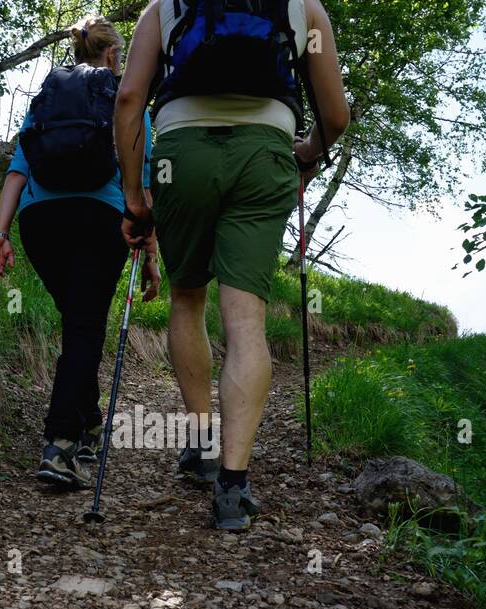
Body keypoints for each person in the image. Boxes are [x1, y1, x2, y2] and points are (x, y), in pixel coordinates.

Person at [113, 0, 350, 530]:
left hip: (181, 154)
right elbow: (335, 117)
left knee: (188, 296)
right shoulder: (304, 7)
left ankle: (200, 443)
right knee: (246, 319)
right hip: (264, 153)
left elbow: (130, 97)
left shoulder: (164, 7)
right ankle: (233, 486)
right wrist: (306, 154)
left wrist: (133, 197)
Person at [0, 15, 161, 490]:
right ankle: (61, 446)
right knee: (85, 328)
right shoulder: (129, 103)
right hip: (100, 219)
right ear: (112, 56)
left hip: (39, 223)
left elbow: (16, 171)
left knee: (77, 323)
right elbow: (143, 189)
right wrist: (150, 255)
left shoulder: (44, 100)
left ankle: (86, 421)